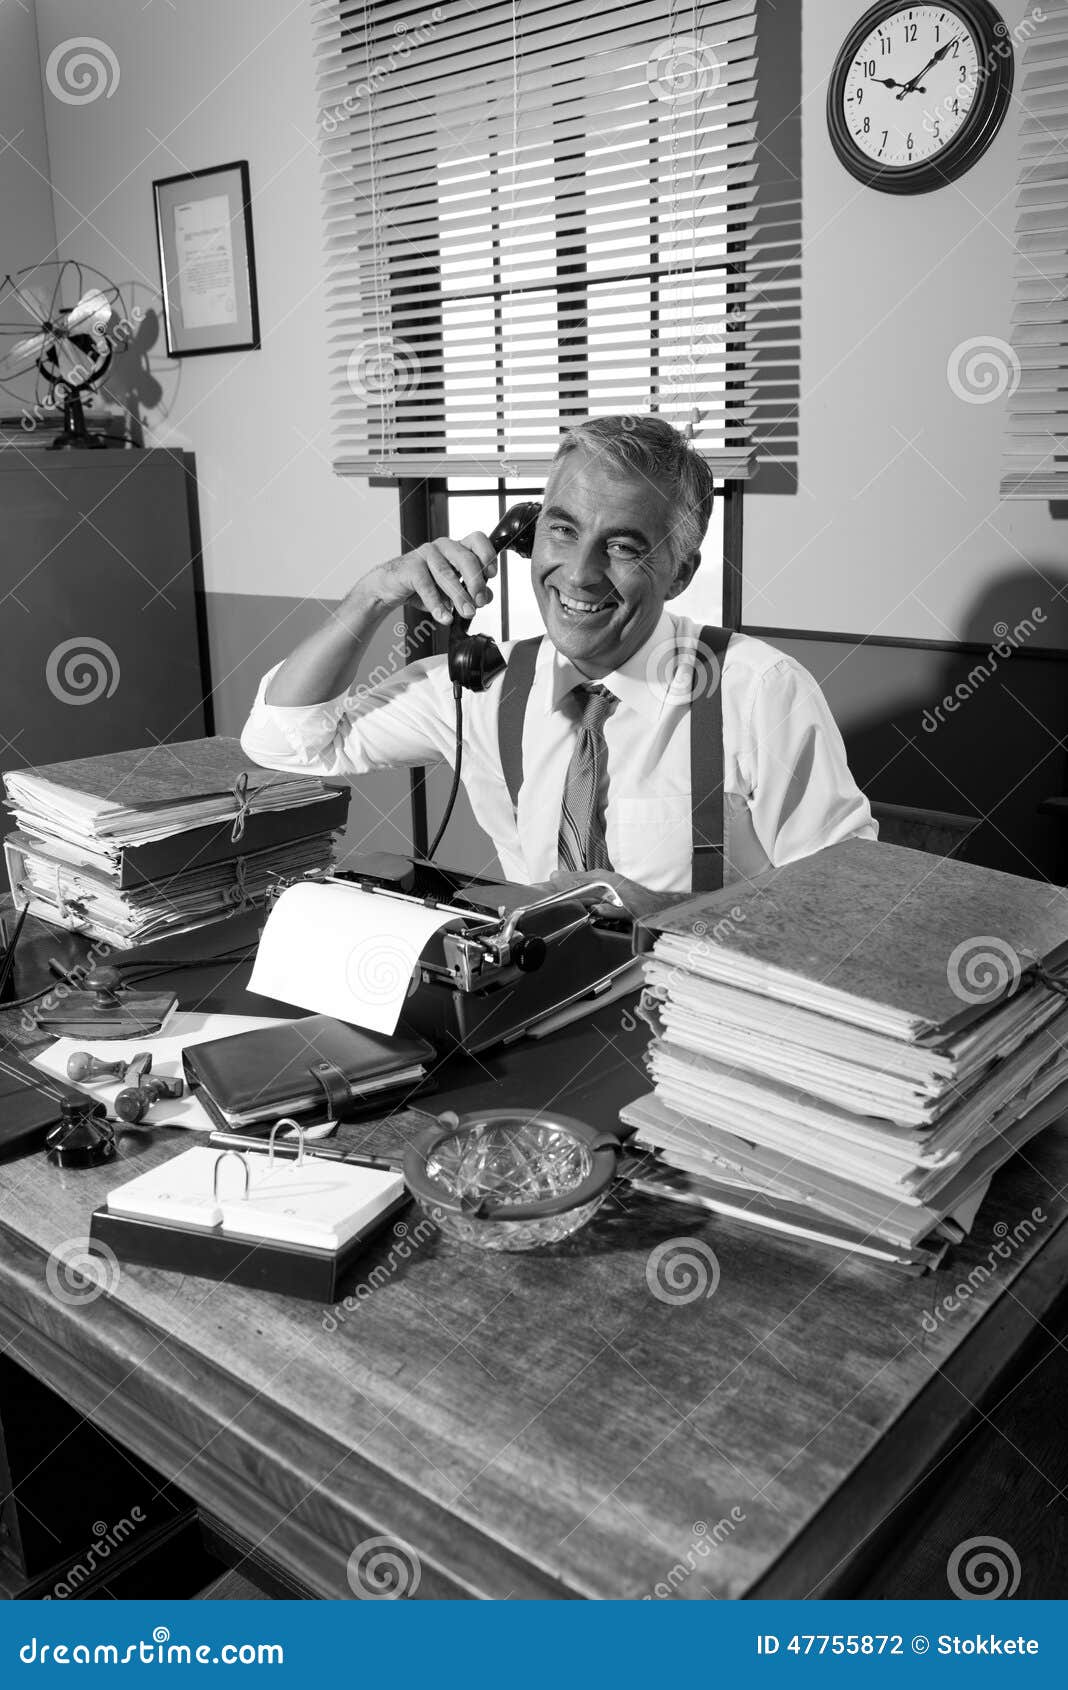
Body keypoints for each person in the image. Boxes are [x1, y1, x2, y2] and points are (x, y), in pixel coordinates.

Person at [240, 415, 875, 914]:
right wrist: (375, 593)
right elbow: (287, 743)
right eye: (562, 530)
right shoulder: (484, 684)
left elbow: (842, 904)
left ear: (679, 573)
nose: (578, 573)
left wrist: (666, 914)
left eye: (622, 545)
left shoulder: (759, 689)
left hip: (704, 1018)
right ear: (525, 535)